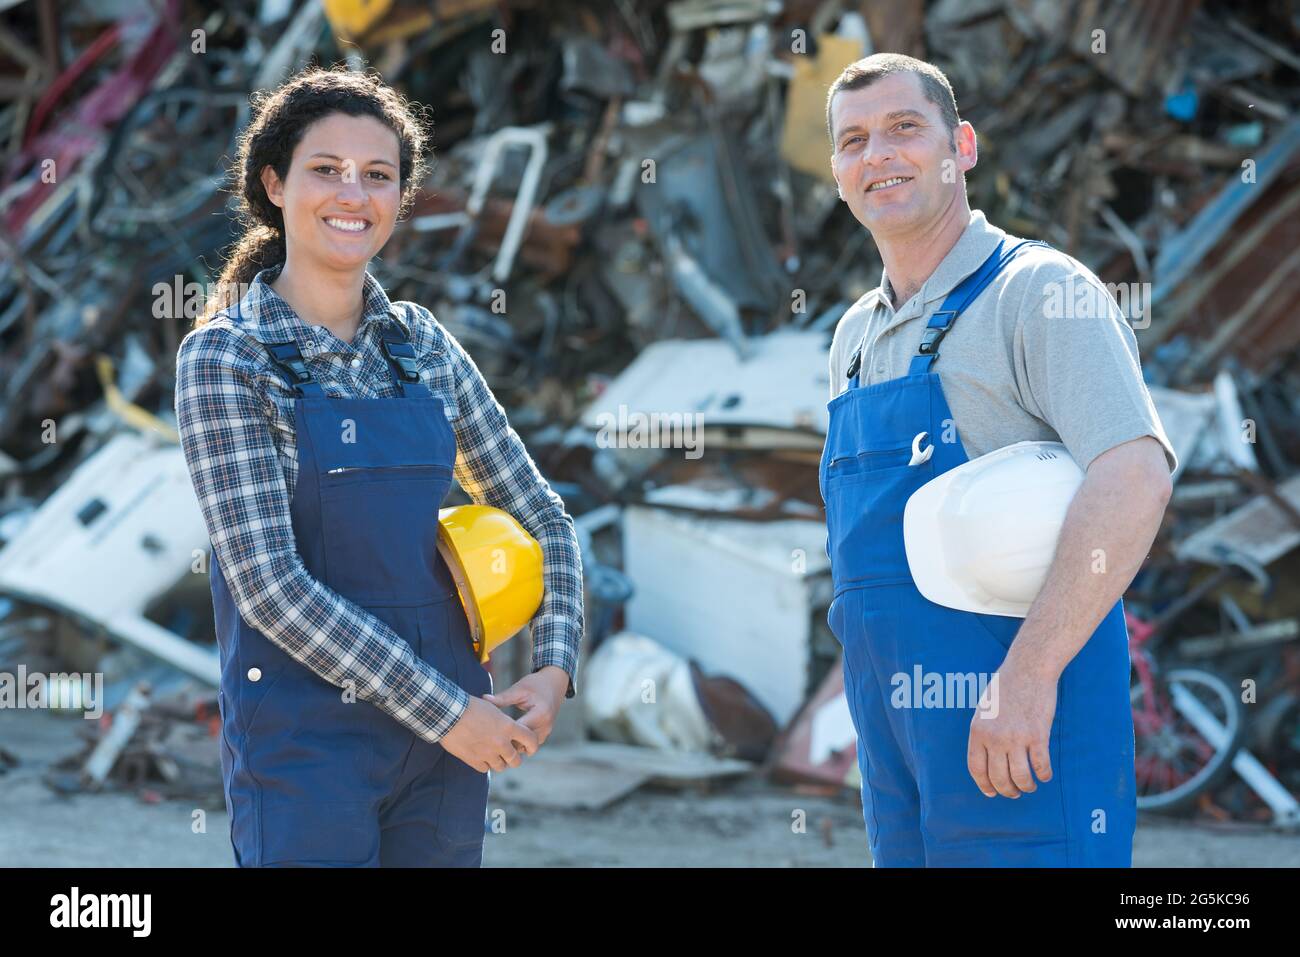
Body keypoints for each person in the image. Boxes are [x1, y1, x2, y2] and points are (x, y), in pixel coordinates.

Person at [174, 65, 583, 867]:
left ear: (401, 196)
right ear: (273, 183)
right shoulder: (229, 358)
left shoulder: (423, 345)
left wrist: (554, 665)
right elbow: (271, 588)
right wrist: (447, 711)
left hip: (445, 753)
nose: (353, 195)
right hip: (308, 751)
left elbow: (542, 515)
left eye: (378, 175)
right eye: (326, 170)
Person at [821, 53, 1176, 866]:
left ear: (963, 147)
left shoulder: (1039, 292)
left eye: (905, 128)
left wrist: (1027, 677)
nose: (878, 155)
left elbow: (1134, 478)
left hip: (1023, 720)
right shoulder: (850, 339)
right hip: (898, 743)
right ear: (838, 172)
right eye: (853, 141)